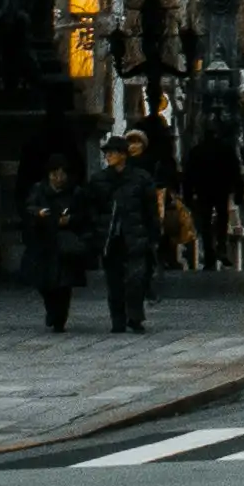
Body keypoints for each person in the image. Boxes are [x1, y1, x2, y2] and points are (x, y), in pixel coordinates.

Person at [96, 131, 167, 335]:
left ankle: (135, 317)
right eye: (107, 153)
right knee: (115, 282)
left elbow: (150, 210)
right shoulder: (100, 180)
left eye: (112, 153)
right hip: (111, 238)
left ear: (123, 155)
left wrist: (153, 235)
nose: (108, 156)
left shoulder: (140, 179)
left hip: (136, 236)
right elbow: (93, 208)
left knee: (136, 279)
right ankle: (117, 320)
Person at [19, 155, 89, 334]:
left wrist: (70, 219)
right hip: (43, 242)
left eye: (62, 174)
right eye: (55, 174)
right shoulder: (38, 190)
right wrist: (39, 214)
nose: (58, 178)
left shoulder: (75, 192)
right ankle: (52, 311)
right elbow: (29, 208)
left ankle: (59, 319)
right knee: (44, 283)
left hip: (65, 243)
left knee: (64, 284)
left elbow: (84, 214)